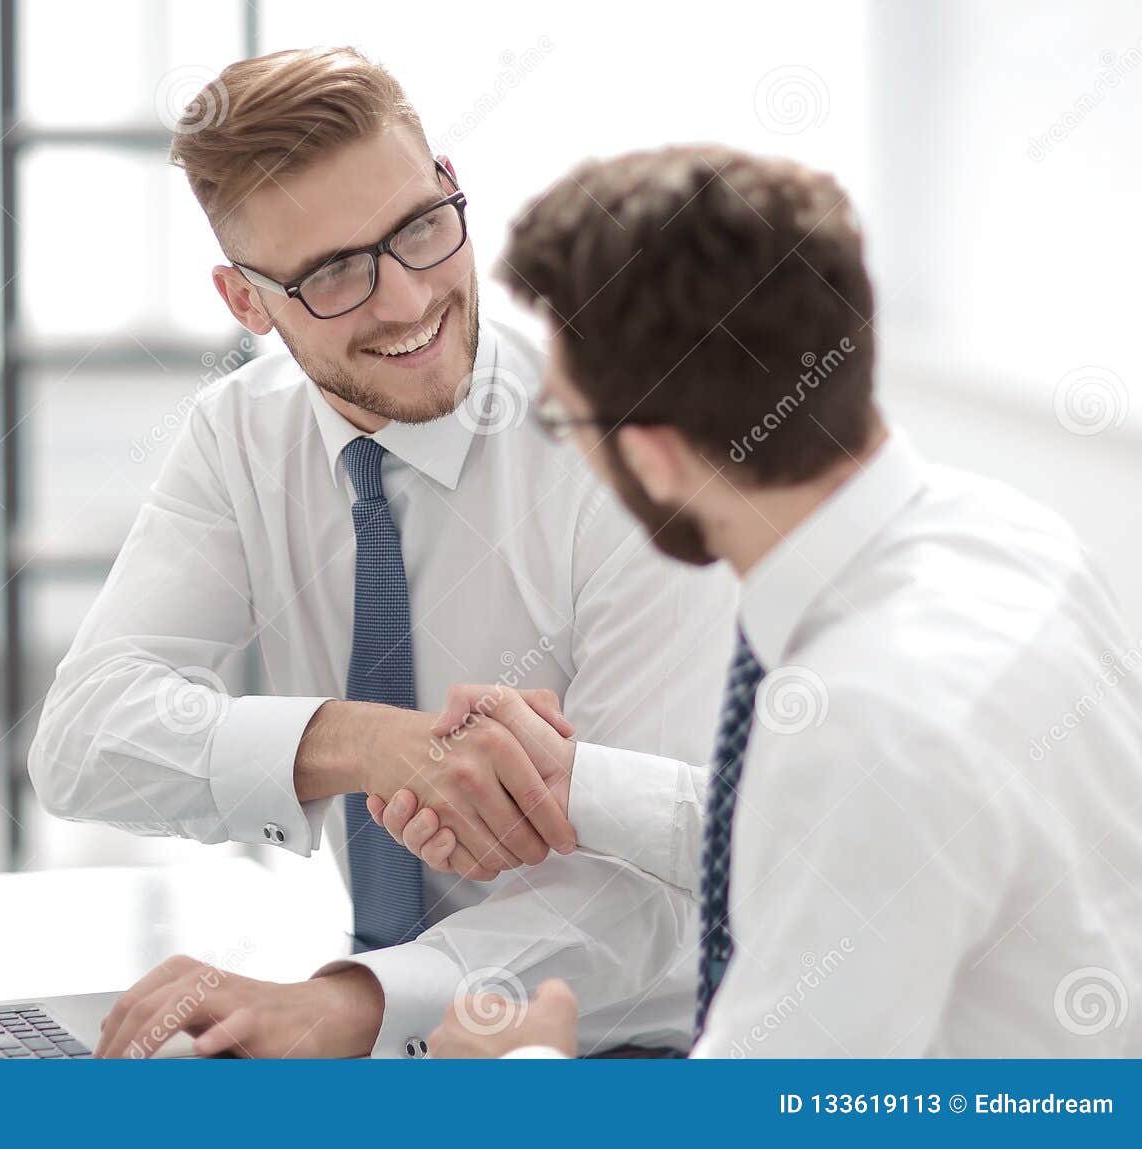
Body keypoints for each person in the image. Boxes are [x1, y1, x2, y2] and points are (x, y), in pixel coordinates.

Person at [27, 49, 736, 1058]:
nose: (403, 301)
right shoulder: (241, 432)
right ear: (244, 302)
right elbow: (82, 741)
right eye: (329, 276)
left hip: (642, 1049)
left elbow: (647, 898)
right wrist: (370, 743)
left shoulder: (630, 455)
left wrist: (348, 1003)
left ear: (448, 187)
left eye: (416, 230)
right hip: (423, 1035)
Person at [365, 144, 1142, 1057]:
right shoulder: (1013, 536)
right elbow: (839, 850)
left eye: (569, 421)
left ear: (653, 453)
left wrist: (517, 1074)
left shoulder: (864, 726)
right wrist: (576, 784)